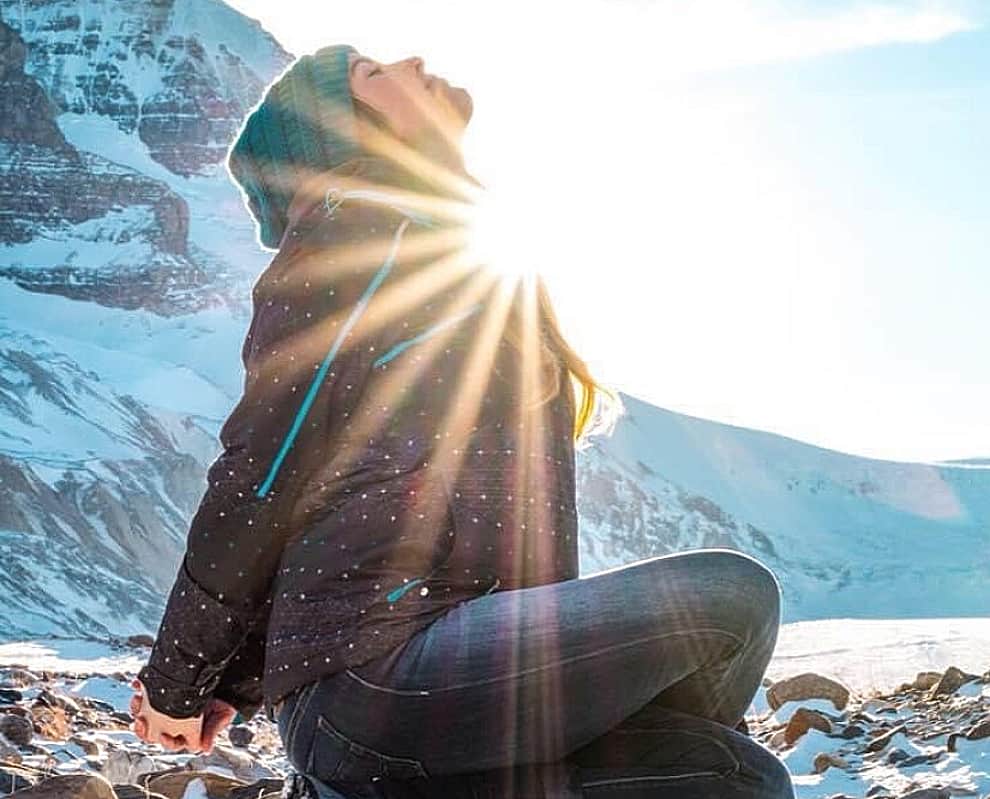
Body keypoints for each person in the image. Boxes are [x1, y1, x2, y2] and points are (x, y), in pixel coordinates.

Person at [129, 44, 792, 799]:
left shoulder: (463, 248)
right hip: (377, 678)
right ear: (339, 132)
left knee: (736, 777)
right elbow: (268, 469)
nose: (410, 60)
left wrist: (239, 679)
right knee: (731, 598)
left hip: (460, 684)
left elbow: (332, 505)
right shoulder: (355, 230)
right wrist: (180, 678)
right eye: (371, 73)